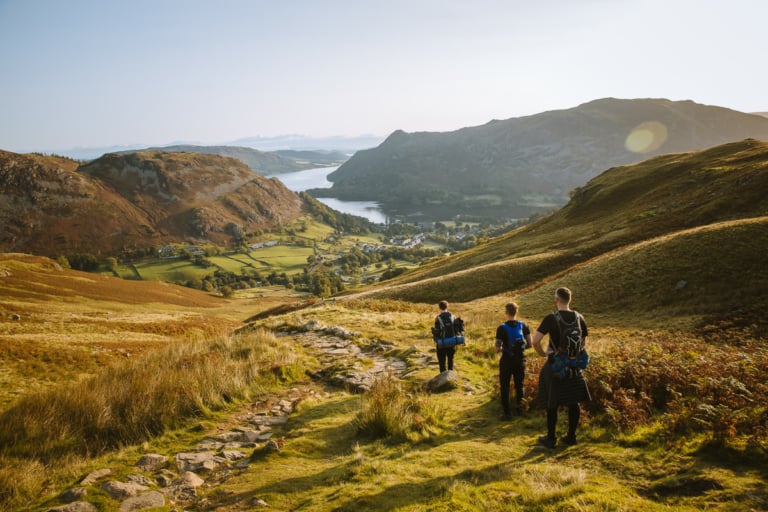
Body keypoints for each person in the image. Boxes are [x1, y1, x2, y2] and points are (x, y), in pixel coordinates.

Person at [531, 287, 591, 448]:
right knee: (574, 402)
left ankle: (551, 439)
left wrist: (543, 353)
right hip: (574, 366)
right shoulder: (579, 318)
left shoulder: (551, 318)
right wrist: (574, 355)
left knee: (553, 402)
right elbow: (583, 342)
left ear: (557, 300)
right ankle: (571, 436)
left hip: (555, 365)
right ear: (569, 300)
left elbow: (534, 341)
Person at [495, 302, 532, 420]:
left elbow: (497, 349)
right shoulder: (524, 325)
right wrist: (519, 350)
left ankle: (507, 413)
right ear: (517, 312)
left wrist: (503, 349)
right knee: (519, 385)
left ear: (506, 312)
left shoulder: (502, 328)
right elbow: (530, 344)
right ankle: (520, 410)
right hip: (520, 360)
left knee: (505, 386)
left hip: (506, 360)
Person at [433, 300, 457, 373]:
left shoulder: (438, 318)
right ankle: (451, 377)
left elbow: (437, 331)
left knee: (442, 362)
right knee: (450, 360)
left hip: (442, 342)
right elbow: (456, 329)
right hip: (452, 341)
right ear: (447, 307)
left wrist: (435, 340)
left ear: (440, 307)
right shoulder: (453, 316)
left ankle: (443, 378)